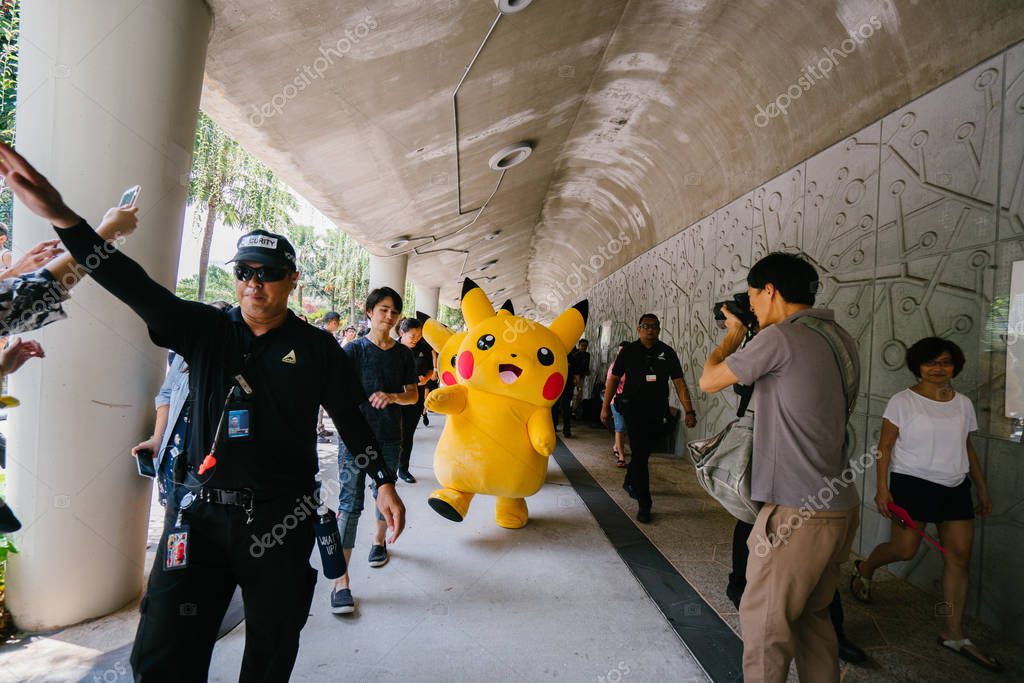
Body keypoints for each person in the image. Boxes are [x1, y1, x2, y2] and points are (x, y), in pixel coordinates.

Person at [0, 141, 406, 682]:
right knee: (164, 652)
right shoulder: (206, 329)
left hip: (281, 518)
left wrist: (382, 482)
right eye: (244, 271)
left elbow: (352, 423)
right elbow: (130, 283)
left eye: (267, 272)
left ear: (291, 280)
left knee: (273, 644)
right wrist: (64, 218)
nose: (253, 283)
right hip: (200, 517)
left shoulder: (318, 350)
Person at [699, 251, 860, 683]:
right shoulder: (839, 337)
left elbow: (709, 380)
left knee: (765, 623)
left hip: (796, 510)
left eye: (752, 295)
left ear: (770, 291)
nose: (750, 305)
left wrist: (733, 334)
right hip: (839, 505)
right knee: (813, 618)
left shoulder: (780, 338)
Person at [851, 337, 999, 672]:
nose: (938, 368)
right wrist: (882, 490)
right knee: (905, 550)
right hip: (912, 485)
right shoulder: (902, 401)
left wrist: (982, 488)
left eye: (945, 362)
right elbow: (885, 448)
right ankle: (866, 569)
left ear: (955, 366)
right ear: (918, 365)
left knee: (959, 557)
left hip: (955, 487)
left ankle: (953, 632)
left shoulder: (962, 403)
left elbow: (967, 447)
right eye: (931, 362)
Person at [332, 287, 417, 614]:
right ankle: (341, 581)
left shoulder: (403, 355)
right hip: (354, 441)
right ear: (369, 312)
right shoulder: (352, 350)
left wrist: (393, 397)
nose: (390, 316)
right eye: (383, 309)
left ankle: (379, 541)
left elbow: (412, 395)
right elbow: (337, 396)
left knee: (384, 493)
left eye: (394, 311)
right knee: (349, 504)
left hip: (388, 437)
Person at [132, 301, 232, 506]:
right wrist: (157, 439)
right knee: (174, 523)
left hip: (211, 463)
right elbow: (166, 395)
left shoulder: (233, 365)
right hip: (175, 454)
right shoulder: (183, 355)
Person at [601, 314, 697, 523]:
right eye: (646, 326)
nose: (650, 330)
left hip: (657, 412)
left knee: (642, 453)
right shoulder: (628, 351)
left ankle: (629, 480)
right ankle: (645, 504)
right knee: (640, 453)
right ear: (639, 329)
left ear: (659, 329)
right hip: (633, 412)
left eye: (654, 327)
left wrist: (689, 411)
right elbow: (613, 379)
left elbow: (679, 383)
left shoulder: (667, 353)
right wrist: (605, 407)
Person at [397, 317, 436, 483]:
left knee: (407, 435)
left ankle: (403, 470)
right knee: (391, 435)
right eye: (412, 336)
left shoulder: (423, 347)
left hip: (415, 398)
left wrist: (425, 379)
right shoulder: (393, 348)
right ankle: (385, 473)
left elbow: (430, 370)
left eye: (419, 336)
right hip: (396, 397)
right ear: (402, 333)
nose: (416, 339)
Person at [316, 311, 343, 438]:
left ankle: (320, 427)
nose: (338, 325)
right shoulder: (323, 336)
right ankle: (318, 429)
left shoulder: (323, 335)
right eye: (337, 323)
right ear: (333, 322)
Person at [606, 341, 630, 467]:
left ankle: (616, 445)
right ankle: (621, 456)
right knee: (620, 427)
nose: (621, 353)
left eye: (624, 351)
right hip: (616, 400)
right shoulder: (614, 366)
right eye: (619, 350)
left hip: (631, 401)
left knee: (625, 427)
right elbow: (609, 384)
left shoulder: (633, 366)